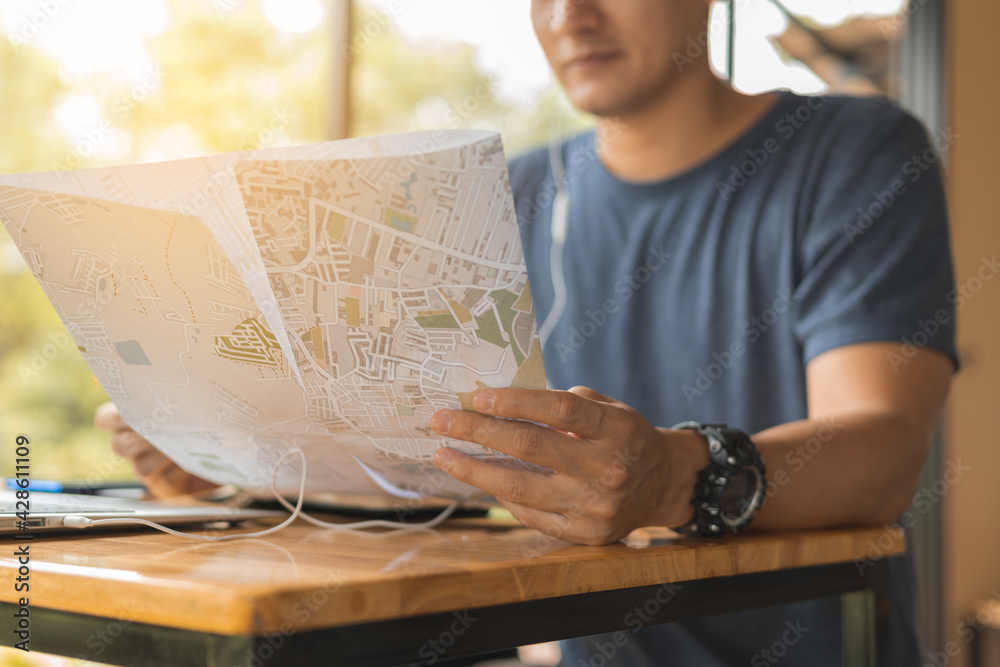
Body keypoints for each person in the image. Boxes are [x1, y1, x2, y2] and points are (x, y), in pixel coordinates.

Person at [98, 0, 957, 664]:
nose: (567, 15)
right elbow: (425, 469)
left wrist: (672, 480)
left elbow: (882, 448)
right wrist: (233, 464)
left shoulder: (856, 151)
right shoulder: (502, 196)